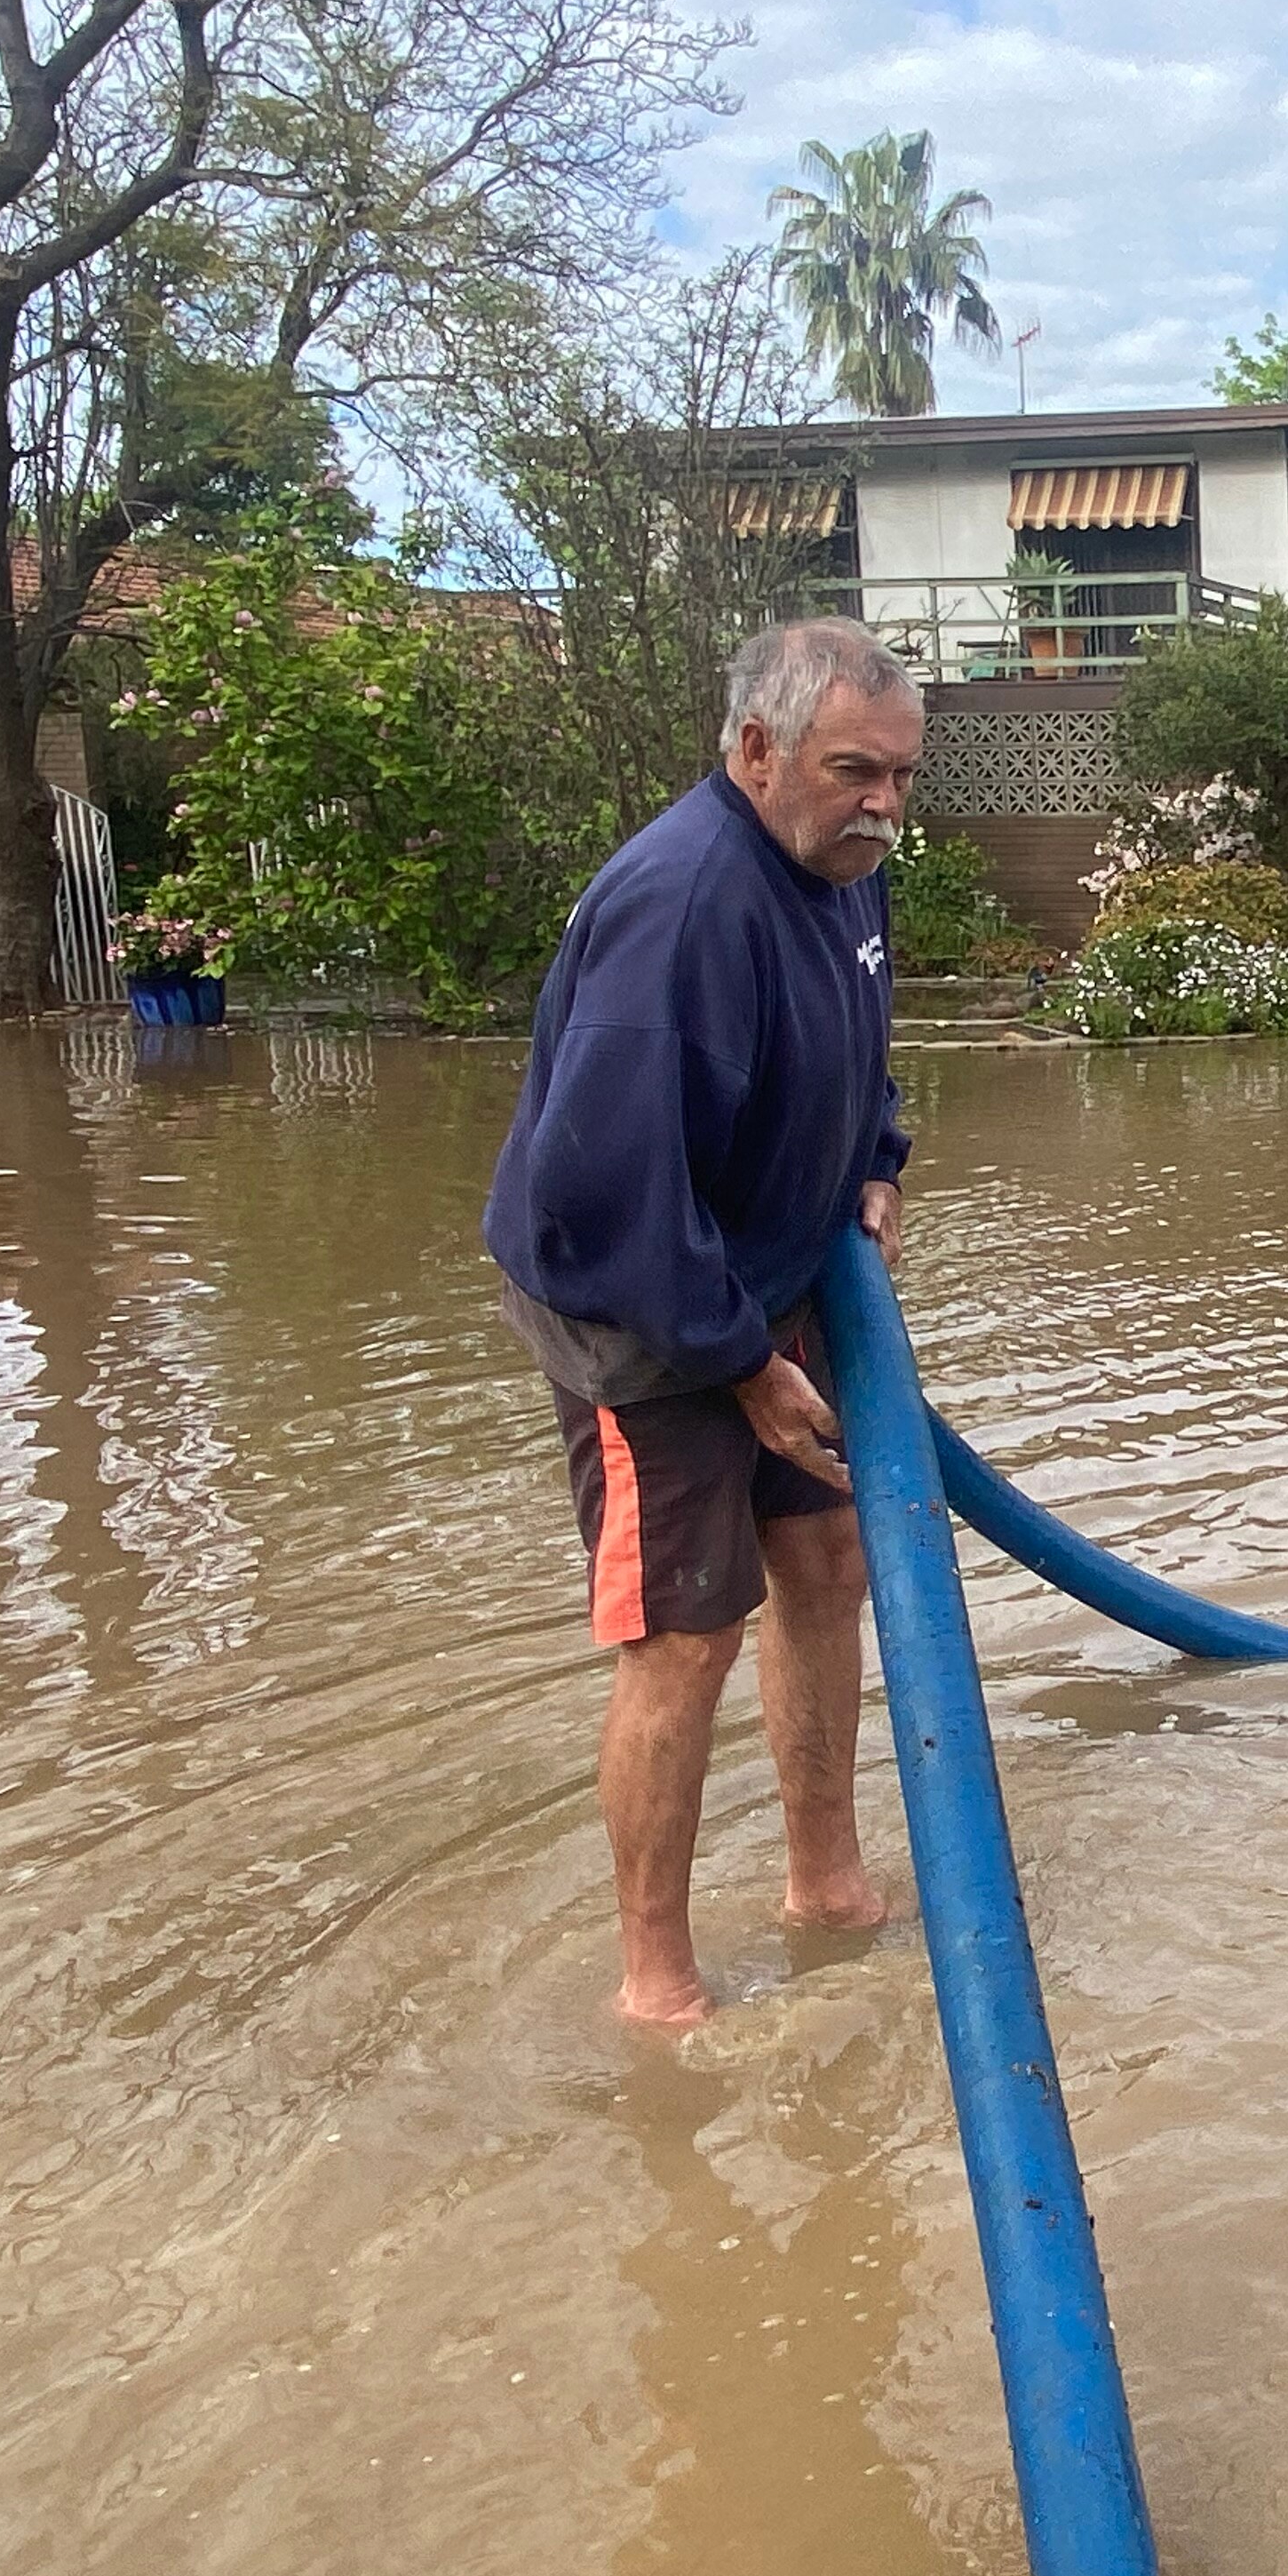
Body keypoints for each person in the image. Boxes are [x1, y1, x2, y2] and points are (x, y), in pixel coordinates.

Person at [484, 617, 923, 2026]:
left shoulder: (843, 868)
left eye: (903, 777)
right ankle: (656, 1986)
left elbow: (858, 1049)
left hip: (769, 1276)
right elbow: (598, 1189)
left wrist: (875, 1158)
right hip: (640, 1306)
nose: (886, 806)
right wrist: (739, 1363)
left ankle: (827, 1884)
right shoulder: (678, 906)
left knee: (828, 1556)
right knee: (688, 1632)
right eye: (856, 771)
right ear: (754, 749)